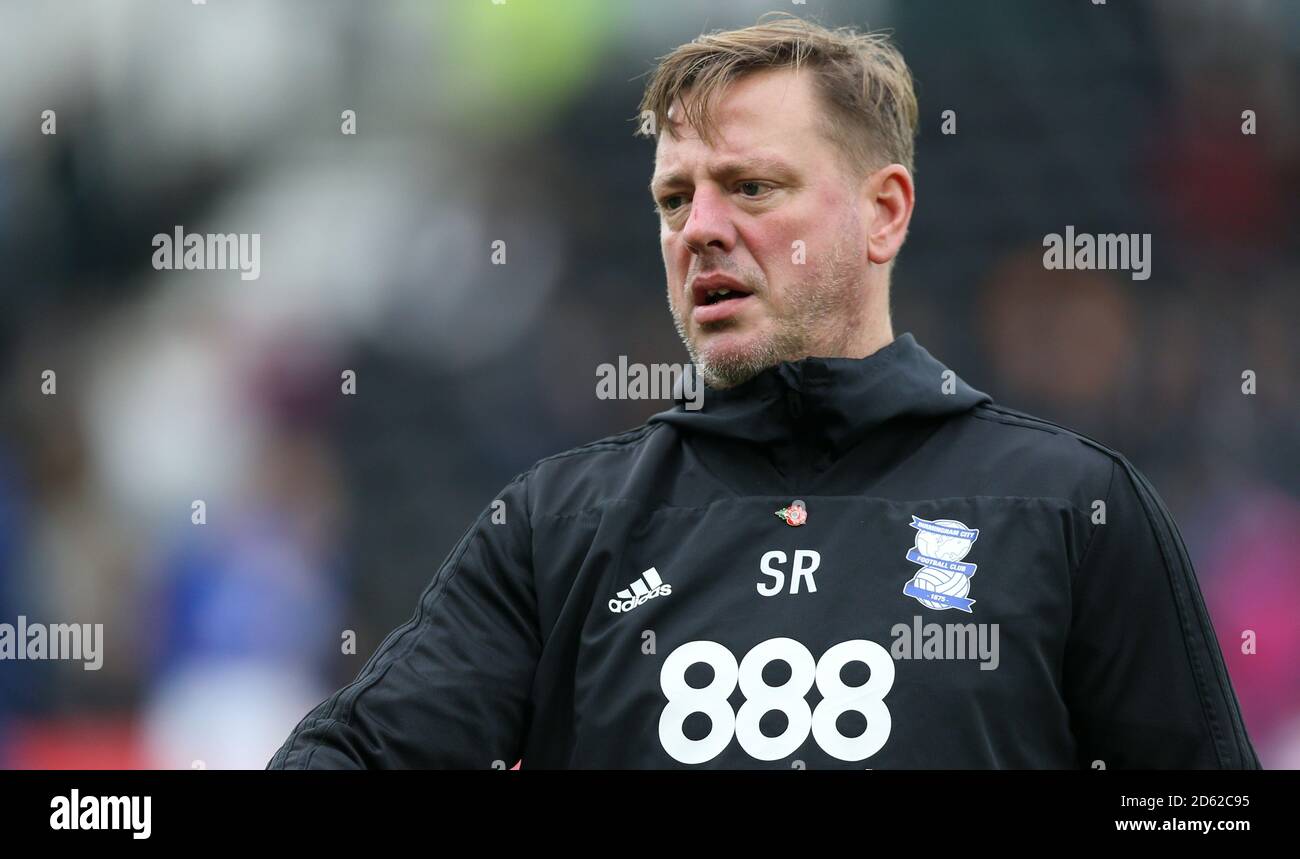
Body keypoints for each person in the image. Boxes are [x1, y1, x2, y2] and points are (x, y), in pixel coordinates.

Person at [269, 14, 1258, 769]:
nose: (697, 228)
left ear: (883, 214)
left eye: (749, 188)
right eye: (672, 197)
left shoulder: (1067, 508)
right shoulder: (560, 527)